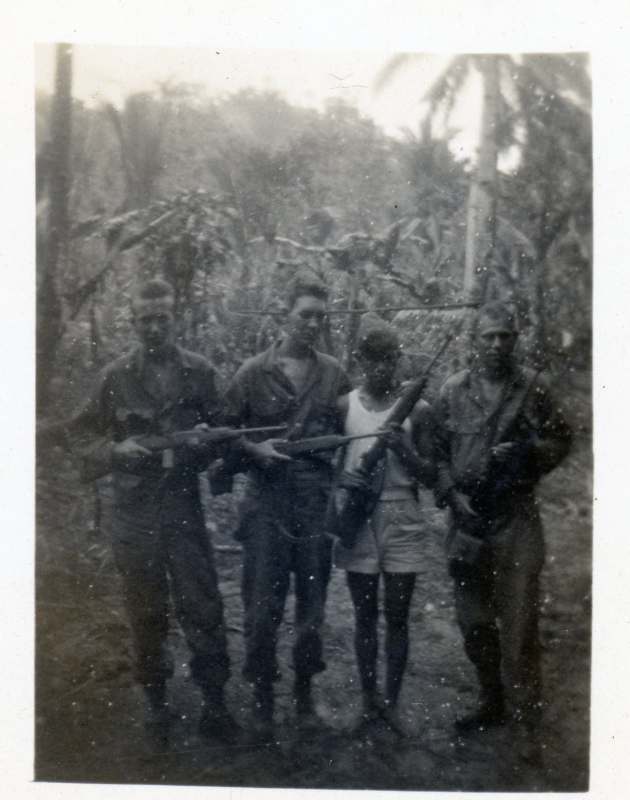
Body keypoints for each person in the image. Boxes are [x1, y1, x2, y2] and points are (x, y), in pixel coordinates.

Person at [70, 279, 237, 747]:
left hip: (182, 508)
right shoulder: (115, 376)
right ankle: (157, 707)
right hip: (135, 515)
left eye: (162, 317)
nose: (155, 327)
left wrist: (207, 441)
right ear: (133, 322)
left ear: (174, 316)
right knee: (144, 610)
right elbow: (79, 433)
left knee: (202, 606)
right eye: (146, 319)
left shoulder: (199, 372)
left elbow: (225, 433)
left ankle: (216, 704)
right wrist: (114, 449)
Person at [433, 301, 572, 739]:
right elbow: (435, 453)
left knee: (519, 622)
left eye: (504, 336)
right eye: (488, 336)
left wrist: (528, 455)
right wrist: (453, 495)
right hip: (469, 519)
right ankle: (491, 701)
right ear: (475, 341)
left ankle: (527, 720)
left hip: (515, 518)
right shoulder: (453, 390)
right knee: (473, 622)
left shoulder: (534, 388)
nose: (496, 344)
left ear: (515, 339)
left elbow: (562, 439)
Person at [221, 274, 351, 739]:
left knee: (312, 607)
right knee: (261, 607)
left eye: (320, 316)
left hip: (315, 505)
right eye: (304, 315)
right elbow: (224, 435)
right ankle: (261, 701)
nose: (313, 324)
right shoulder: (252, 372)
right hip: (266, 505)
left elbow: (352, 426)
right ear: (285, 316)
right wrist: (256, 452)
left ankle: (304, 698)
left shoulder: (335, 373)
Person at [333, 327, 436, 733]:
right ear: (361, 363)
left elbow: (429, 473)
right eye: (374, 360)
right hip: (359, 513)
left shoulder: (420, 410)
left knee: (397, 614)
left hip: (402, 510)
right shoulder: (345, 406)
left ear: (399, 360)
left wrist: (403, 450)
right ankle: (368, 699)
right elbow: (331, 466)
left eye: (390, 359)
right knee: (363, 616)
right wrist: (346, 480)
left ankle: (392, 703)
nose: (383, 368)